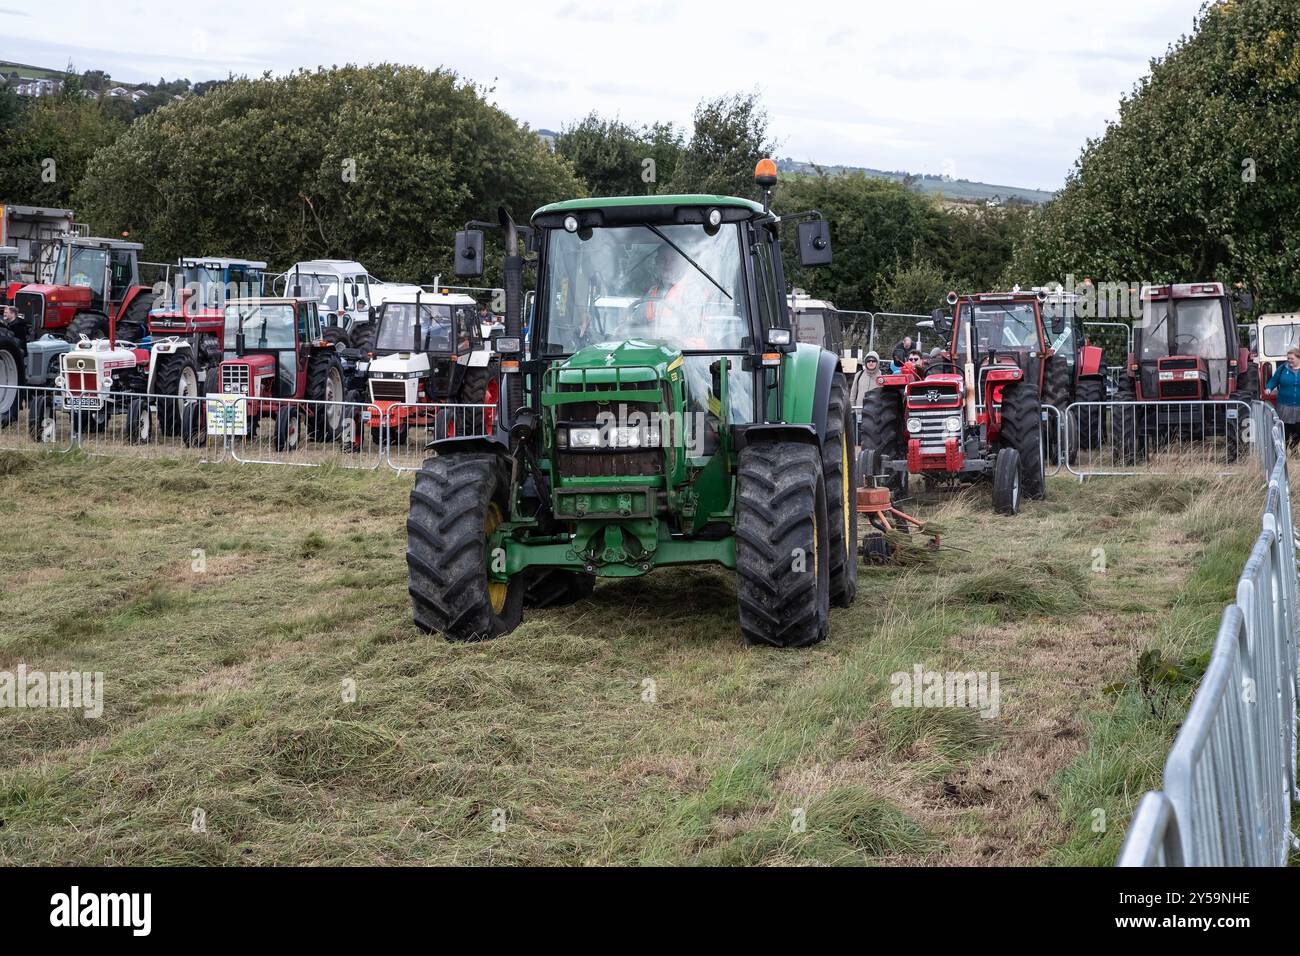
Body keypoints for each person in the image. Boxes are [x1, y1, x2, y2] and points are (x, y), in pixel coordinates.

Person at [1266, 347, 1300, 446]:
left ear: (1298, 358)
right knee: (1284, 429)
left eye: (1291, 359)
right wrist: (1269, 388)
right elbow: (1274, 380)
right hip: (1284, 406)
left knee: (1298, 430)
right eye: (1288, 358)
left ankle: (1294, 449)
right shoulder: (1283, 368)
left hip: (1299, 406)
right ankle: (1282, 452)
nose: (1289, 361)